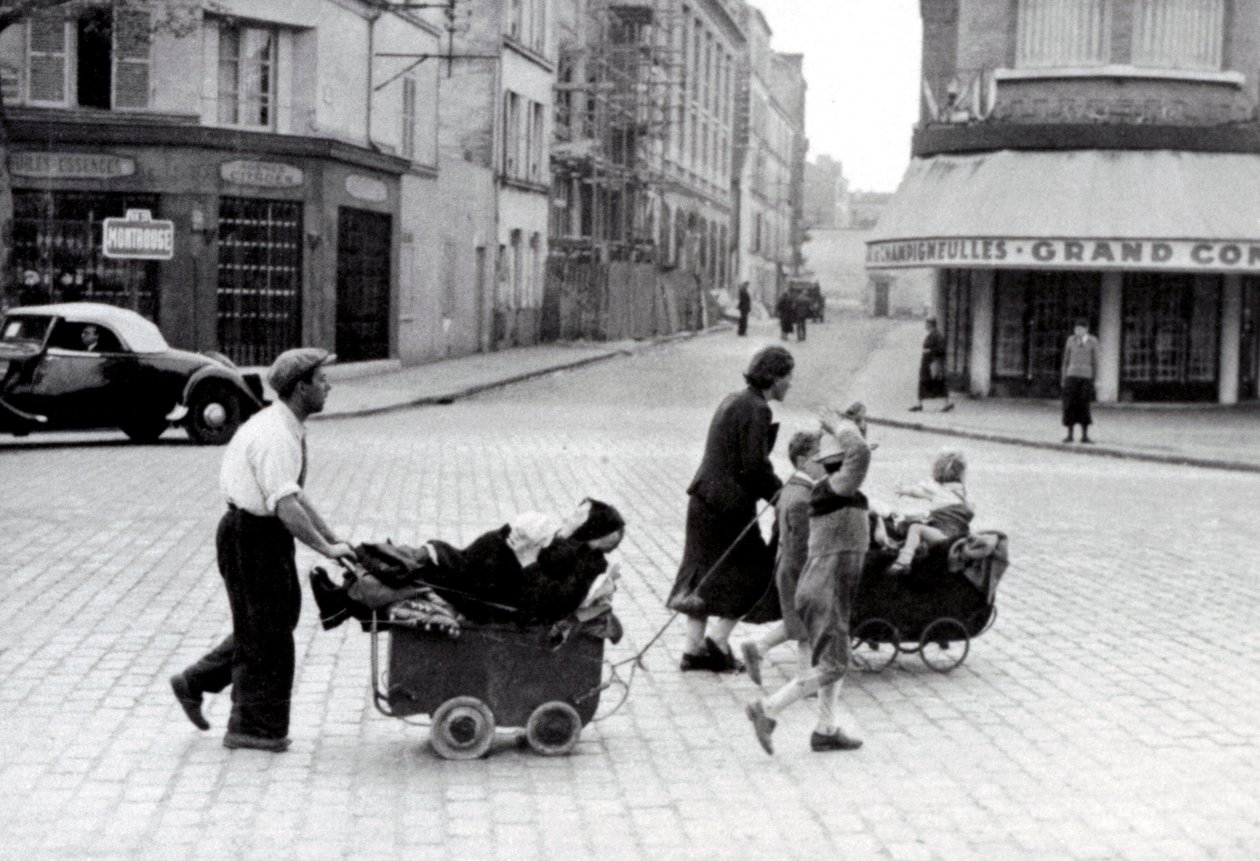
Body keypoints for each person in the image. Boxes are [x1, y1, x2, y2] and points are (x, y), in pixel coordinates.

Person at [170, 348, 356, 753]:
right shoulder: (275, 436)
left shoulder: (285, 426)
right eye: (322, 379)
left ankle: (195, 681)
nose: (328, 386)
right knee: (267, 635)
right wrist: (325, 548)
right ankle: (252, 728)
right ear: (301, 387)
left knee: (272, 622)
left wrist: (333, 540)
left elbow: (296, 496)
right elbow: (286, 506)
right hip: (249, 535)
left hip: (261, 534)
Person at [745, 402, 872, 755]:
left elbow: (858, 452)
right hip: (825, 589)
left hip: (828, 588)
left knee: (835, 660)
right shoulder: (832, 490)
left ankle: (826, 729)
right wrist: (841, 426)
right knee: (835, 664)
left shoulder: (838, 489)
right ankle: (766, 709)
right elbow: (858, 453)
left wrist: (853, 426)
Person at [668, 345, 793, 672]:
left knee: (702, 574)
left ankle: (692, 651)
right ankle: (718, 641)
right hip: (727, 508)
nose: (790, 384)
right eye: (787, 376)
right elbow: (753, 468)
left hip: (703, 501)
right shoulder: (757, 409)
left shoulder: (734, 400)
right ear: (773, 377)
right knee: (755, 571)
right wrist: (783, 496)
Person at [311, 499, 626, 628]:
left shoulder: (587, 566)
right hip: (496, 585)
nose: (569, 515)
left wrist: (527, 558)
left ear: (592, 530)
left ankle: (342, 600)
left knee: (430, 566)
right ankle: (343, 596)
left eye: (578, 514)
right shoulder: (573, 550)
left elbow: (544, 604)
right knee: (431, 560)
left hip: (500, 603)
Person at [738, 430, 822, 687]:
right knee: (806, 627)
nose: (825, 466)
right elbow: (801, 548)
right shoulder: (803, 499)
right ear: (802, 461)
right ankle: (805, 678)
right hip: (799, 570)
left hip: (788, 567)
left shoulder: (791, 488)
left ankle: (759, 647)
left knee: (797, 623)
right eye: (819, 459)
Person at [887, 448, 973, 575]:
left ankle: (904, 559)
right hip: (960, 537)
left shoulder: (938, 489)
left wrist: (903, 490)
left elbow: (916, 492)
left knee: (916, 528)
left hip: (943, 536)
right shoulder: (965, 494)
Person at [1061, 318, 1098, 443]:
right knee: (1070, 404)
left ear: (1086, 329)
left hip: (1086, 377)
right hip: (1072, 375)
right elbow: (1065, 360)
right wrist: (1063, 378)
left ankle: (1085, 435)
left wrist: (1095, 379)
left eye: (1081, 329)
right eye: (1076, 329)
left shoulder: (1092, 341)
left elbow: (1095, 361)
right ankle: (1070, 434)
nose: (1078, 332)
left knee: (1084, 405)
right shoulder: (1070, 340)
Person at [910, 317, 953, 412]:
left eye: (927, 324)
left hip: (931, 363)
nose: (925, 326)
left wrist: (930, 353)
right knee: (925, 382)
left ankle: (945, 404)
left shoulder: (937, 336)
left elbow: (941, 350)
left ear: (931, 325)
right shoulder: (932, 335)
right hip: (927, 363)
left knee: (939, 383)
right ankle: (920, 404)